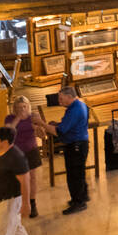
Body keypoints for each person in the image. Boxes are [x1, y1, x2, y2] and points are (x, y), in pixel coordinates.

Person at [45, 87, 89, 215]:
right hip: (80, 144)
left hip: (76, 146)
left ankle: (78, 203)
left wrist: (42, 124)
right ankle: (83, 197)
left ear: (70, 97)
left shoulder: (74, 110)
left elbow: (58, 132)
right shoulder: (80, 104)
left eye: (61, 98)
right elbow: (70, 125)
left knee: (74, 176)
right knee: (79, 173)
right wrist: (58, 123)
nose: (59, 102)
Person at [4, 96, 42, 218]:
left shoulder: (33, 117)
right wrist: (18, 118)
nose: (22, 109)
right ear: (14, 108)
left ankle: (32, 203)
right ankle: (20, 203)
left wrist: (39, 128)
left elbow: (42, 134)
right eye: (19, 107)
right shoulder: (10, 118)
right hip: (17, 153)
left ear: (28, 106)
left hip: (31, 150)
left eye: (24, 106)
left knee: (32, 178)